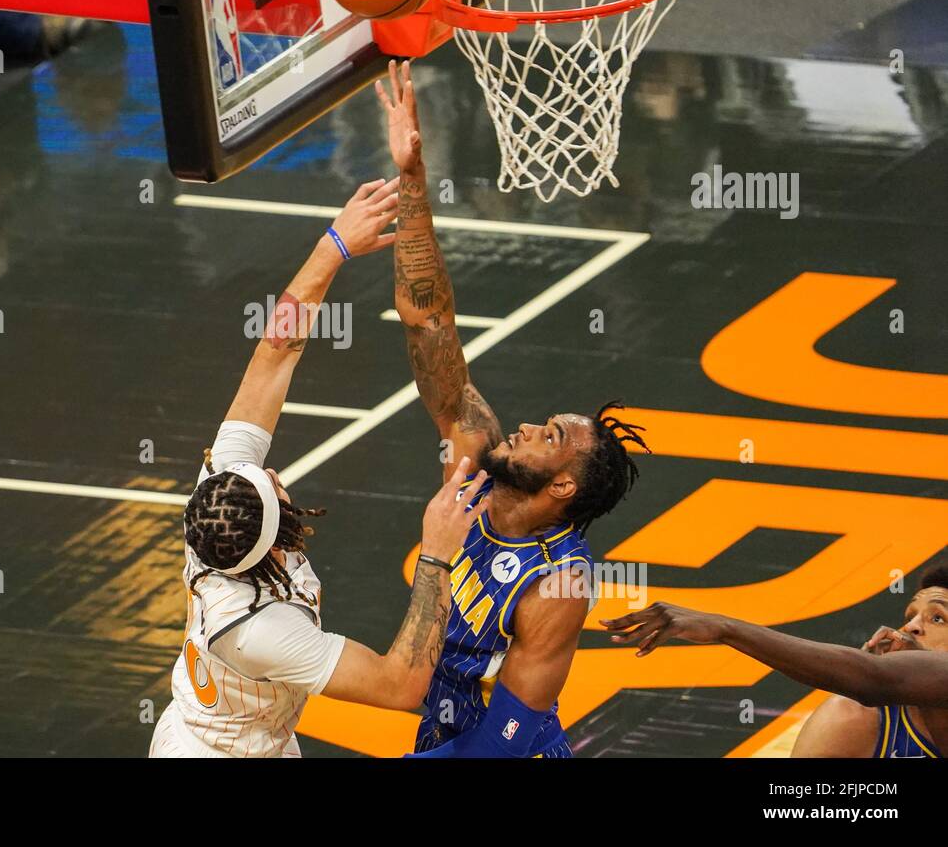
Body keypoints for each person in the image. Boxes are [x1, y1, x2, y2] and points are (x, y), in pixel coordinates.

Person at [150, 176, 492, 758]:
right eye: (274, 485)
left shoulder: (220, 500)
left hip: (246, 732)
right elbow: (399, 685)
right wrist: (436, 550)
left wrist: (334, 244)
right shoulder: (258, 633)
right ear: (280, 525)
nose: (274, 473)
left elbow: (274, 351)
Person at [376, 61, 651, 757]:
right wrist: (411, 178)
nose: (526, 426)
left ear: (562, 485)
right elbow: (427, 321)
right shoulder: (471, 463)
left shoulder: (559, 582)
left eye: (549, 435)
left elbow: (506, 740)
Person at [600, 563, 948, 758]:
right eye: (911, 614)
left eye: (938, 618)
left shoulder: (879, 685)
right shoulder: (856, 720)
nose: (911, 626)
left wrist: (723, 628)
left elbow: (873, 679)